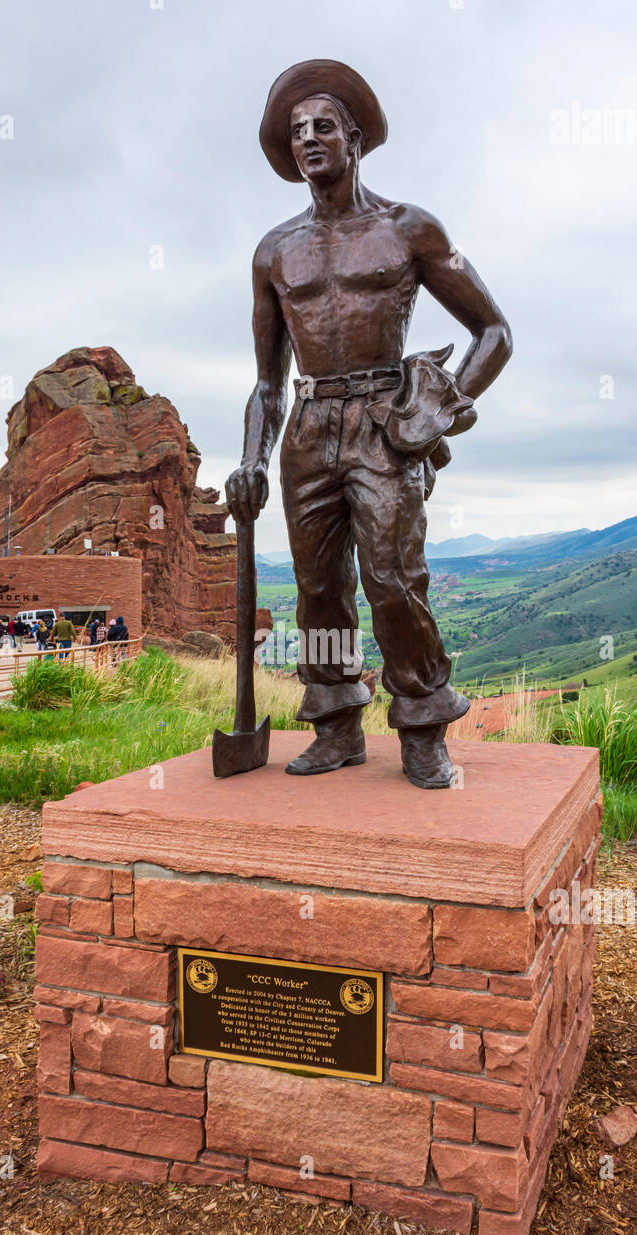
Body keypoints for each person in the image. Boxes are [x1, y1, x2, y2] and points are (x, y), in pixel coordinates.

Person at [226, 61, 512, 788]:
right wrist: (253, 459)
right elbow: (266, 381)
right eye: (297, 132)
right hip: (310, 426)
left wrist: (437, 410)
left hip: (384, 421)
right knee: (318, 589)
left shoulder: (408, 229)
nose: (309, 139)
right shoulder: (274, 251)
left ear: (354, 138)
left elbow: (494, 332)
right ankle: (335, 723)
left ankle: (422, 725)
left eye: (323, 126)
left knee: (393, 579)